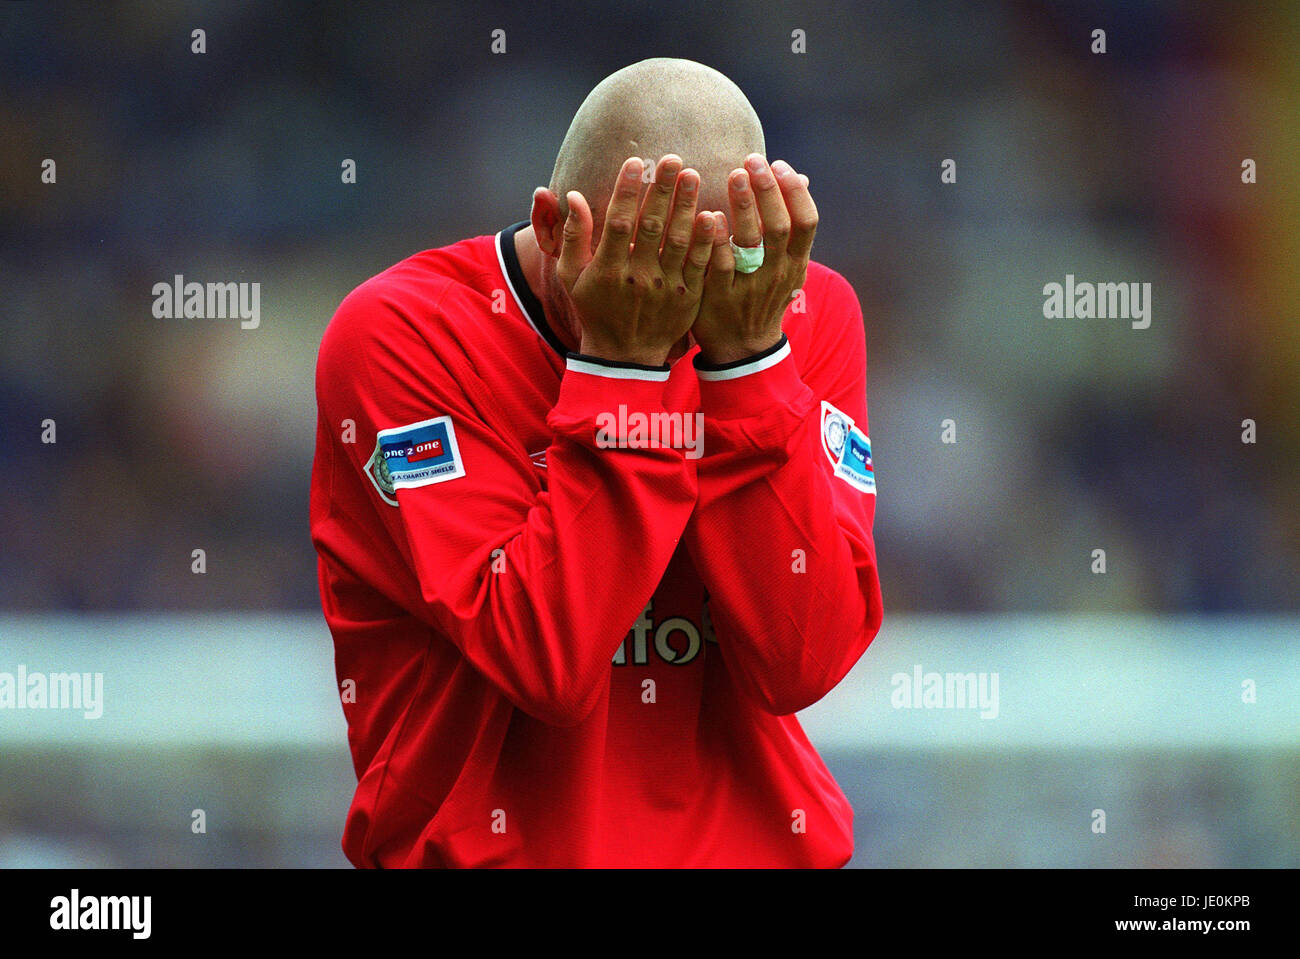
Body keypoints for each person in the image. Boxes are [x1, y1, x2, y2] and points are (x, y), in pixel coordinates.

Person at [309, 57, 883, 867]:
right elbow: (544, 659)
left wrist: (750, 364)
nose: (676, 300)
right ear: (552, 227)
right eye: (643, 256)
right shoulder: (402, 336)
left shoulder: (794, 313)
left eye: (713, 267)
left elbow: (803, 661)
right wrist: (625, 370)